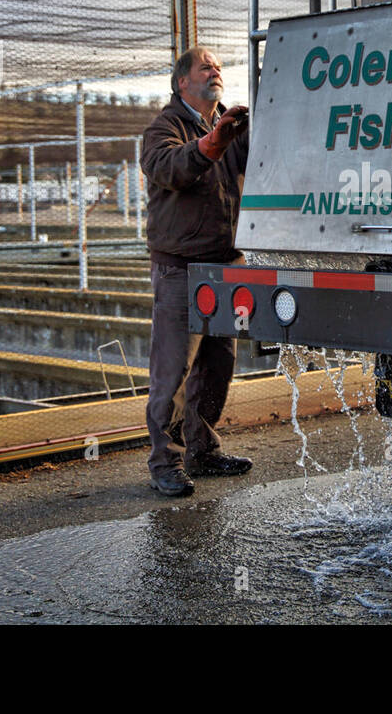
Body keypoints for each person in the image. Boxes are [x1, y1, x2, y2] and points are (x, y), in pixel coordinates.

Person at [140, 45, 252, 497]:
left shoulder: (233, 125)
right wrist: (212, 144)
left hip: (225, 265)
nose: (216, 71)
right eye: (206, 66)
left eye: (220, 67)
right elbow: (171, 168)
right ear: (182, 81)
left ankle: (202, 451)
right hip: (180, 268)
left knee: (217, 365)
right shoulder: (163, 128)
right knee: (173, 371)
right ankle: (163, 460)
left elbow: (265, 162)